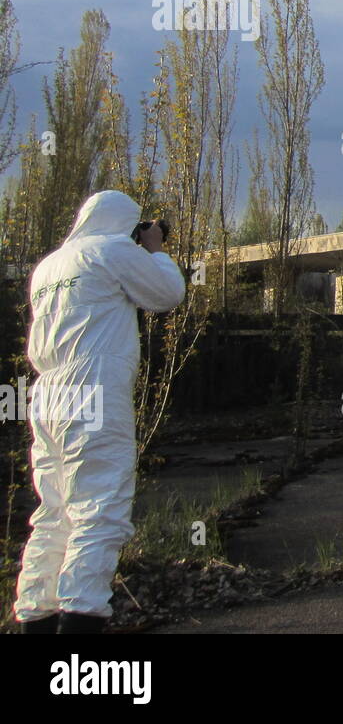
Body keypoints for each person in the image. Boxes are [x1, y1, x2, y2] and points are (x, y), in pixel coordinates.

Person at [14, 190, 187, 634]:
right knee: (99, 506)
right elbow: (168, 293)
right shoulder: (110, 250)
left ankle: (36, 615)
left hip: (47, 394)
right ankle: (80, 623)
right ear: (124, 224)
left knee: (54, 512)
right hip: (92, 388)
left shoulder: (49, 266)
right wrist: (155, 250)